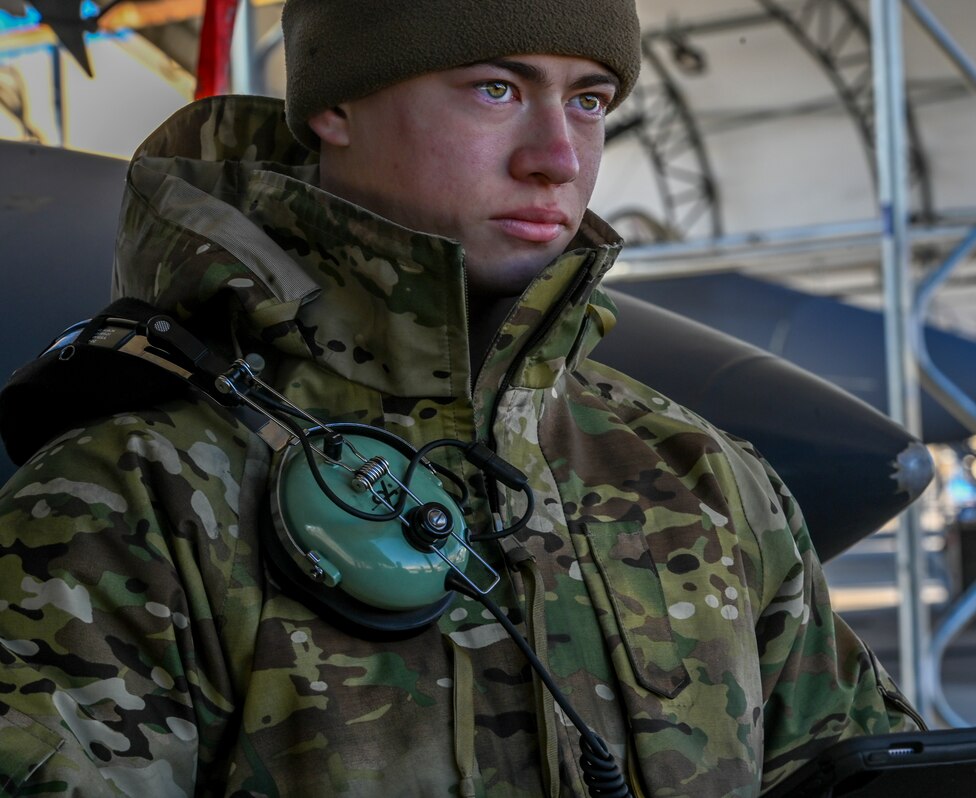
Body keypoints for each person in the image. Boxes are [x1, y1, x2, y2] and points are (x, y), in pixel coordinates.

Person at [0, 0, 922, 795]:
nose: (557, 158)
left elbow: (849, 762)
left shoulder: (703, 483)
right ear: (337, 106)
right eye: (497, 89)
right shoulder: (133, 500)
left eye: (591, 100)